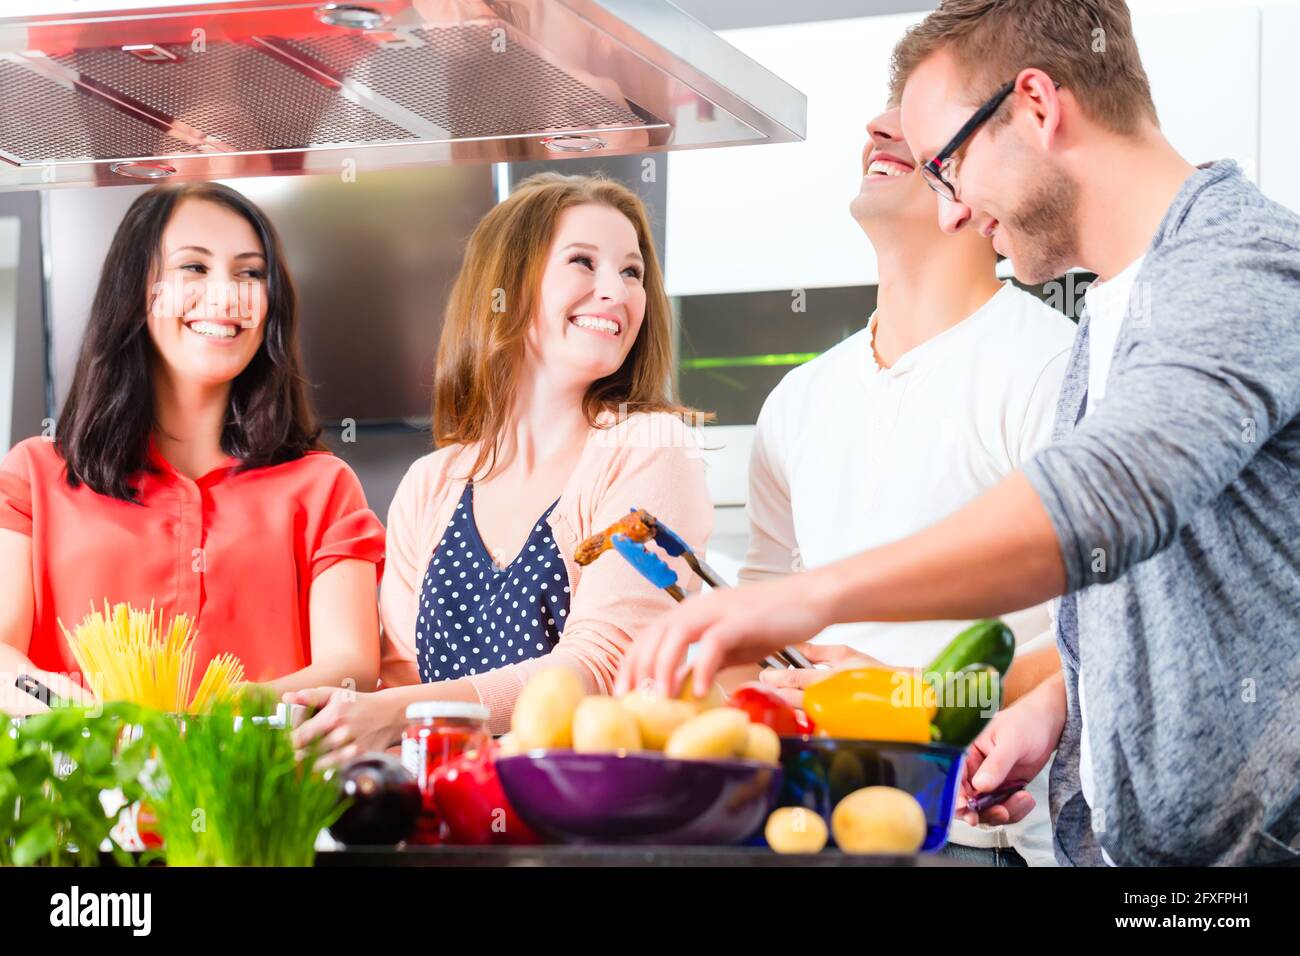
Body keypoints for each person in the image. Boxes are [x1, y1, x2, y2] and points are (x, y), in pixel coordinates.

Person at [616, 0, 1300, 866]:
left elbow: (1107, 497)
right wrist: (1055, 711)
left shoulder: (1242, 263)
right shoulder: (1112, 317)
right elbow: (1144, 584)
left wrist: (800, 598)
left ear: (1038, 108)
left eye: (949, 165)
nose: (949, 212)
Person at [740, 102, 1074, 865]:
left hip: (979, 838)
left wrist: (911, 699)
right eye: (881, 108)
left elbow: (1114, 634)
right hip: (814, 825)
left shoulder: (1056, 370)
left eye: (918, 116)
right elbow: (760, 629)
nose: (877, 126)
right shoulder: (797, 399)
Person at [288, 173, 713, 764]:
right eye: (583, 263)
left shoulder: (648, 447)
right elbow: (403, 678)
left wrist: (400, 712)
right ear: (506, 286)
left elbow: (603, 661)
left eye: (632, 272)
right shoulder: (431, 484)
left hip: (582, 814)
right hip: (456, 815)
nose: (616, 291)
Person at [0, 183, 385, 716]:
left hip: (252, 791)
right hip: (77, 791)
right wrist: (65, 710)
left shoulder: (324, 486)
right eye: (195, 268)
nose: (227, 295)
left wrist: (212, 721)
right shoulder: (34, 476)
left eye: (250, 273)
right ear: (137, 290)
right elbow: (2, 657)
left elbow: (353, 668)